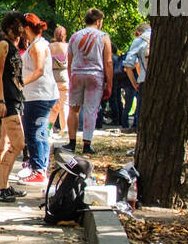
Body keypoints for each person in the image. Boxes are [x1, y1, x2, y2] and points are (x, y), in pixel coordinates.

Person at [66, 8, 113, 155]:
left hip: (76, 74)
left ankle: (72, 142)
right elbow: (108, 61)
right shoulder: (104, 37)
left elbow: (69, 61)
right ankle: (87, 143)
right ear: (98, 21)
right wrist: (109, 82)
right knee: (91, 110)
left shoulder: (74, 37)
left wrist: (70, 76)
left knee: (73, 109)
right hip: (95, 75)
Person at [0, 11, 27, 202]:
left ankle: (3, 186)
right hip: (8, 101)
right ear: (9, 26)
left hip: (15, 98)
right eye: (18, 26)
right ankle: (1, 188)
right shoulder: (4, 44)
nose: (21, 30)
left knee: (5, 145)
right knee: (19, 142)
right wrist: (1, 100)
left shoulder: (13, 44)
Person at [19, 13, 57, 186]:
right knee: (39, 133)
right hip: (37, 96)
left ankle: (39, 170)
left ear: (27, 28)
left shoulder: (38, 46)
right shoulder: (36, 44)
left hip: (39, 97)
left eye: (22, 28)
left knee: (35, 134)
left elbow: (39, 70)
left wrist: (20, 84)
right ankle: (40, 168)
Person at [121, 23, 150, 133]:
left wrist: (135, 84)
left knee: (142, 113)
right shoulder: (164, 36)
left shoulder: (139, 40)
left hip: (144, 80)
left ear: (138, 33)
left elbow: (128, 66)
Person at [47, 26, 69, 137]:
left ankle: (48, 128)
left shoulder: (49, 47)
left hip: (52, 78)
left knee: (53, 104)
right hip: (65, 77)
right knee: (64, 104)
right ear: (64, 35)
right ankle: (64, 129)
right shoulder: (68, 47)